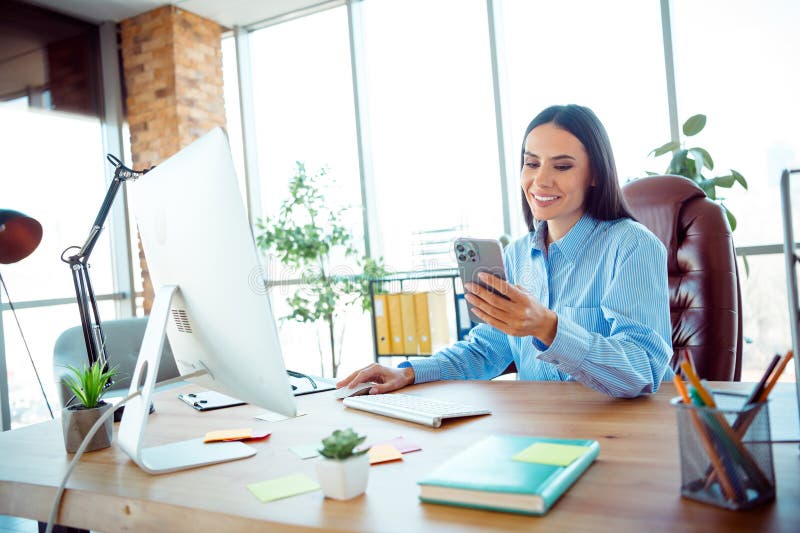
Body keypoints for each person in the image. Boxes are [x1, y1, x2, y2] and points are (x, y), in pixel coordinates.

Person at [338, 104, 672, 398]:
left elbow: (642, 371)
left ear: (595, 175)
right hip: (544, 430)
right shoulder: (517, 256)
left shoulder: (632, 246)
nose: (540, 180)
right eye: (531, 163)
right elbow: (487, 349)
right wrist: (410, 373)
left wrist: (549, 328)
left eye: (562, 166)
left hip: (625, 432)